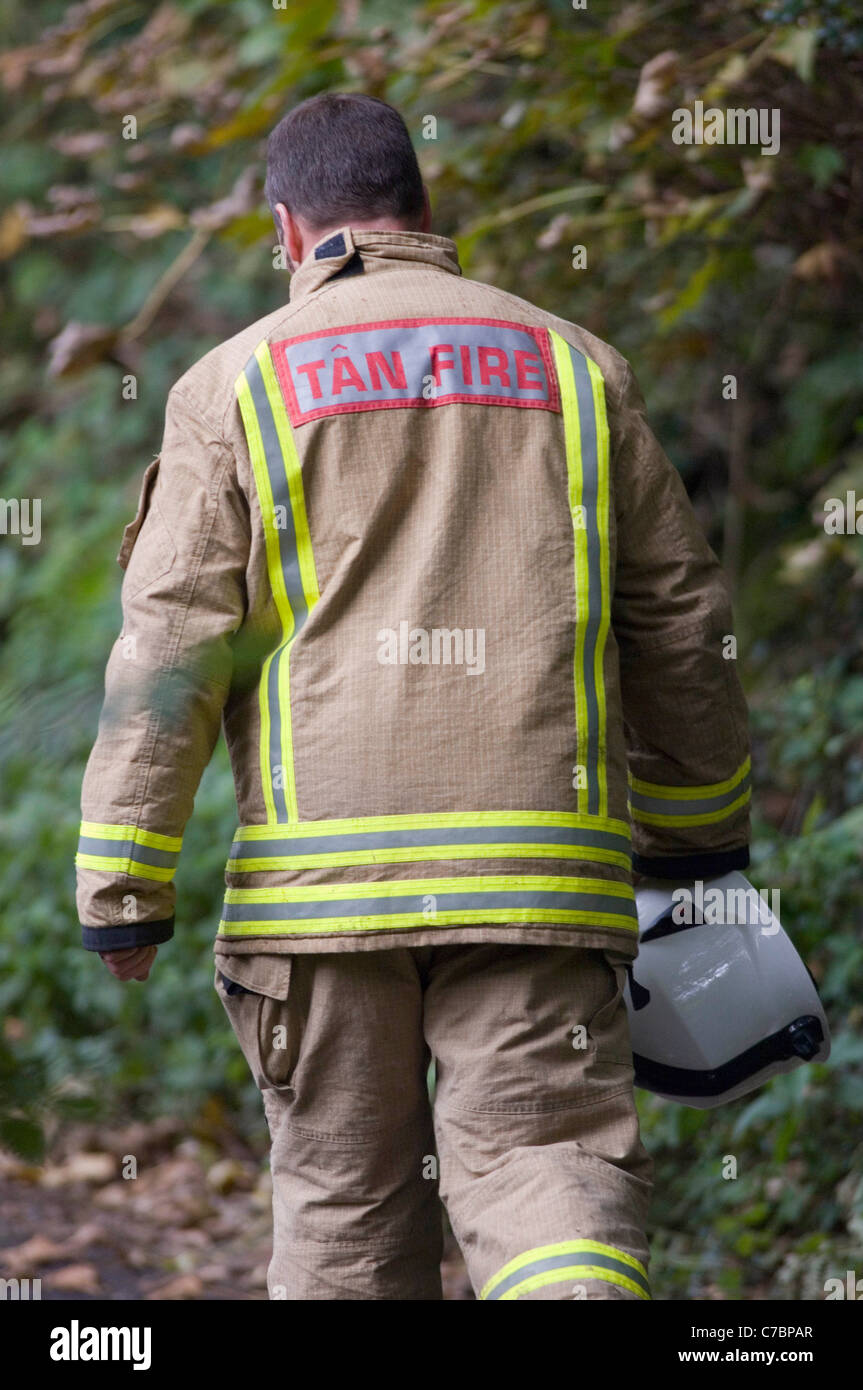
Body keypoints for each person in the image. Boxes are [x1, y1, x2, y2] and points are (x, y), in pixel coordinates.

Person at [76, 92, 750, 1301]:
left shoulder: (232, 386)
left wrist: (126, 878)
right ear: (425, 211)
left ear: (289, 231)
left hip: (319, 899)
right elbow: (682, 626)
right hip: (538, 877)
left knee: (344, 1211)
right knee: (543, 1165)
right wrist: (701, 829)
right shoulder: (575, 367)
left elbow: (171, 644)